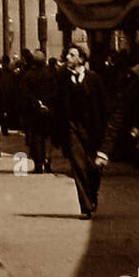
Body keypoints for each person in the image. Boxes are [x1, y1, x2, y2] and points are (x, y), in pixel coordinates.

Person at [58, 42, 108, 218]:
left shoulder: (94, 79)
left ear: (81, 58)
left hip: (92, 130)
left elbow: (103, 107)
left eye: (72, 55)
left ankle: (92, 196)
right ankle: (86, 206)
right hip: (73, 130)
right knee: (78, 167)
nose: (67, 58)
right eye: (68, 55)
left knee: (93, 168)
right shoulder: (63, 79)